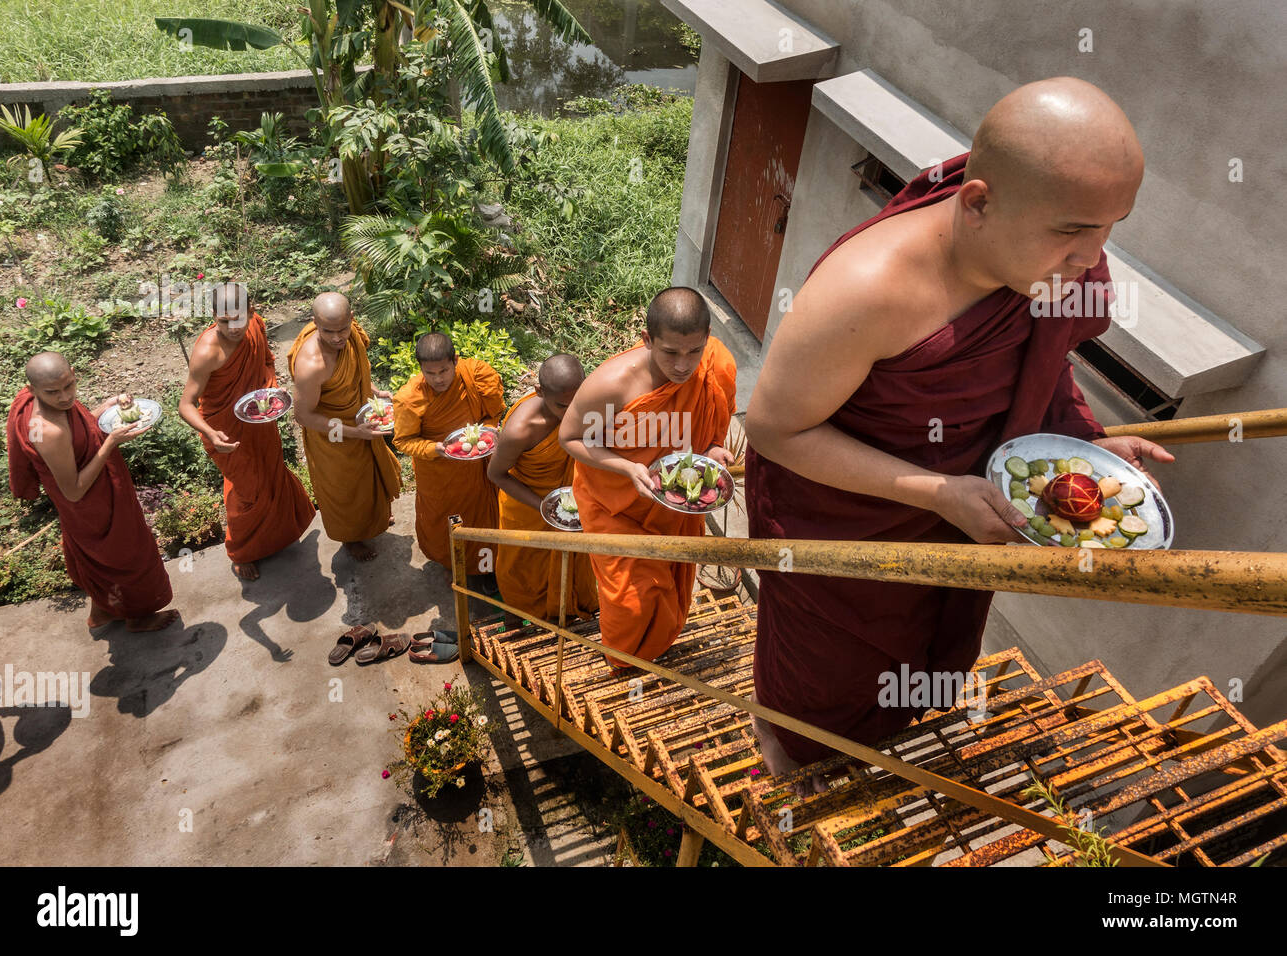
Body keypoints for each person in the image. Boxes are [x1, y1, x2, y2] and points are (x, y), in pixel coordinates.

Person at [743, 77, 1175, 777]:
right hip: (846, 526)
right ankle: (790, 770)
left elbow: (1041, 362)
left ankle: (872, 751)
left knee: (923, 649)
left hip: (953, 512)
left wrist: (1083, 445)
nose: (1093, 260)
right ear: (977, 203)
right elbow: (774, 431)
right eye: (1072, 233)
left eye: (1109, 230)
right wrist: (938, 493)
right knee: (818, 681)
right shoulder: (869, 292)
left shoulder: (1044, 259)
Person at [559, 287, 736, 671]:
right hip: (613, 504)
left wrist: (714, 449)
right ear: (647, 340)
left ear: (706, 340)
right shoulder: (613, 384)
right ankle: (623, 665)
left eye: (694, 351)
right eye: (670, 352)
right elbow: (569, 438)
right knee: (630, 600)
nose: (683, 365)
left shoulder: (716, 366)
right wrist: (627, 468)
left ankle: (654, 651)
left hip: (672, 502)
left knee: (668, 586)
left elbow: (710, 428)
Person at [6, 352, 179, 634]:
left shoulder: (49, 405)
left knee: (103, 564)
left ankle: (103, 612)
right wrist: (110, 442)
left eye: (68, 386)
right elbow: (74, 491)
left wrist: (104, 408)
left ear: (72, 373)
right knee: (126, 559)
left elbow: (81, 432)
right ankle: (138, 617)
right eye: (52, 392)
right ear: (32, 390)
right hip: (91, 506)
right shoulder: (46, 430)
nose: (64, 397)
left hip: (88, 500)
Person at [178, 282, 315, 580]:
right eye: (224, 321)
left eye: (239, 318)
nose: (233, 327)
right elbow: (186, 404)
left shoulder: (256, 325)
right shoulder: (207, 351)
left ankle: (277, 535)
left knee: (271, 473)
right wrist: (211, 434)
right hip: (224, 431)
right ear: (214, 315)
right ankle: (241, 551)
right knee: (247, 491)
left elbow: (266, 359)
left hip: (259, 417)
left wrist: (270, 384)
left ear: (251, 312)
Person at [487, 353, 598, 628]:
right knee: (520, 576)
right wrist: (545, 508)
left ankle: (567, 615)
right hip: (527, 507)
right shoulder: (521, 429)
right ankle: (515, 625)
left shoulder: (587, 407)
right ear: (539, 392)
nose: (572, 413)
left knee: (574, 565)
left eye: (577, 403)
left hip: (570, 504)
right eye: (562, 406)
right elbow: (495, 474)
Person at [287, 292, 401, 561]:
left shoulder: (350, 335)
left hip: (360, 420)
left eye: (343, 329)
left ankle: (376, 516)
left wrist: (373, 391)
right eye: (328, 331)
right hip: (333, 436)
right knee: (346, 491)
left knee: (370, 476)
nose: (338, 338)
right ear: (314, 322)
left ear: (351, 318)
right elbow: (303, 416)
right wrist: (354, 432)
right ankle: (351, 538)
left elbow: (357, 370)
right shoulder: (311, 364)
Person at [391, 332, 504, 589]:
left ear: (455, 360)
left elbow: (493, 413)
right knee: (444, 522)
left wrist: (485, 434)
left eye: (443, 370)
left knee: (485, 517)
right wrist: (435, 448)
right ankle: (451, 562)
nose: (438, 379)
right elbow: (403, 441)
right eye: (430, 373)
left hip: (478, 464)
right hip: (439, 474)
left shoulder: (476, 374)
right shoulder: (409, 399)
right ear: (420, 368)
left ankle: (487, 568)